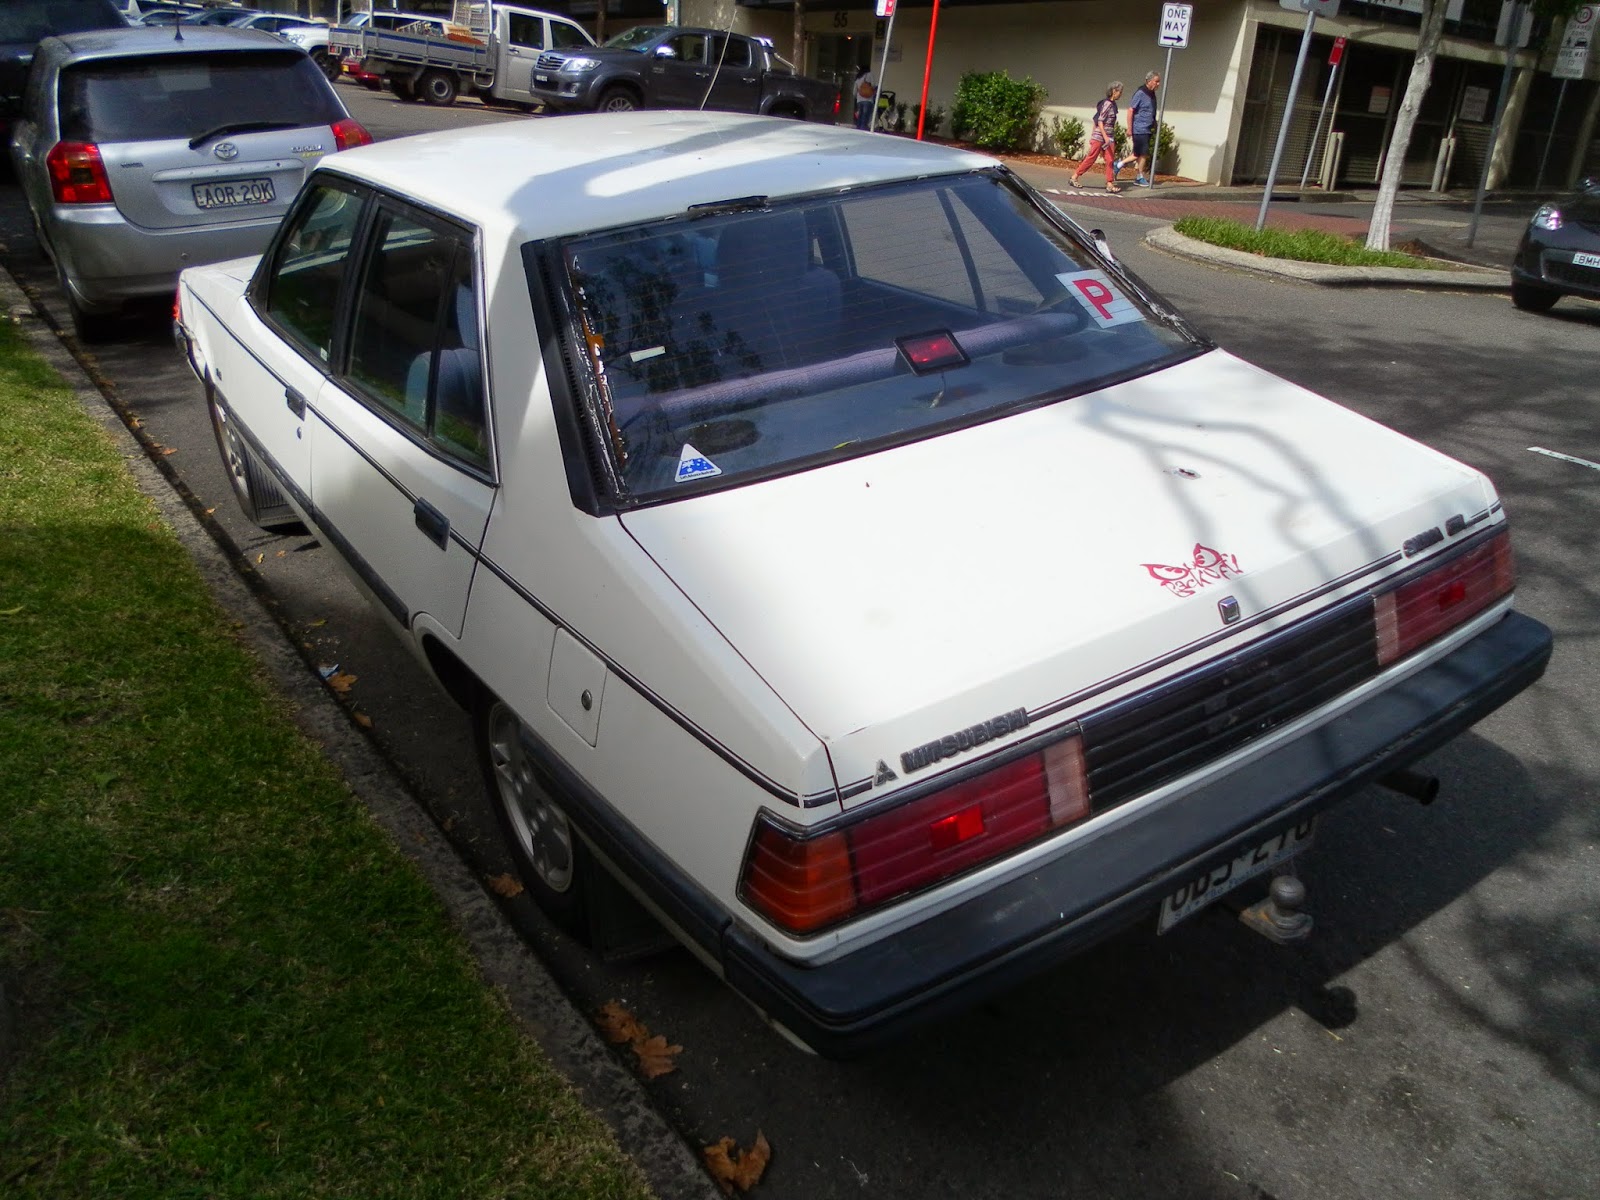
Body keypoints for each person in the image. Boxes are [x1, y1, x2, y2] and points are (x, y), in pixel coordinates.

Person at [1069, 81, 1123, 193]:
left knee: (1110, 160)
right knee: (1091, 157)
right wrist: (1101, 136)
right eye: (1119, 92)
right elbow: (1099, 120)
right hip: (1101, 136)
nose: (1121, 94)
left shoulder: (1113, 105)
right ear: (1114, 91)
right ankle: (1074, 177)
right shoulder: (1107, 104)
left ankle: (1109, 183)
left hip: (1109, 136)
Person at [1115, 71, 1160, 187]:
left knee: (1138, 154)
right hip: (1140, 128)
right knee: (1142, 154)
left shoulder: (1151, 94)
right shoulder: (1140, 93)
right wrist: (1129, 128)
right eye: (1156, 81)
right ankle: (1139, 176)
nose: (1158, 84)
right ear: (1149, 81)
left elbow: (1150, 110)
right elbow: (1131, 110)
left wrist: (1154, 123)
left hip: (1147, 128)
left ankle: (1119, 165)